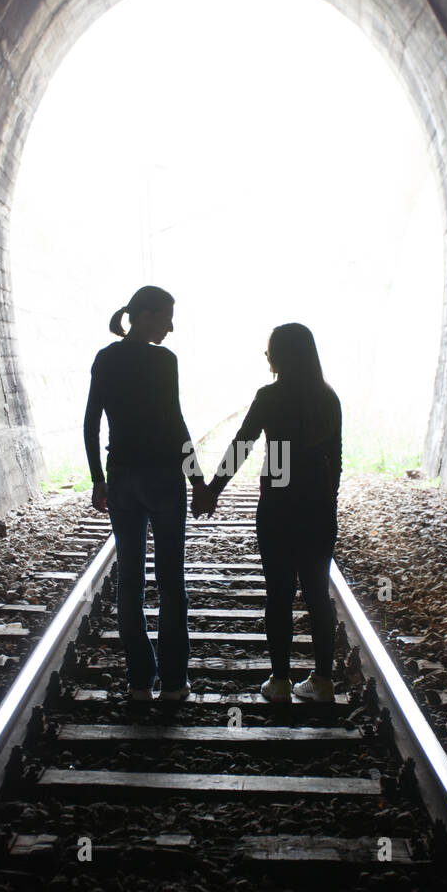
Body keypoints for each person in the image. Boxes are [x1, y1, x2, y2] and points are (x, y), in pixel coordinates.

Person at [198, 323, 342, 702]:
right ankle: (323, 681)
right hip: (317, 504)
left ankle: (279, 682)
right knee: (316, 592)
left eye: (270, 350)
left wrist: (213, 489)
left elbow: (242, 444)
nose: (267, 357)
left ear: (282, 355)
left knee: (279, 591)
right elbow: (336, 460)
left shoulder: (270, 396)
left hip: (278, 501)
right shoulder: (328, 399)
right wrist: (330, 504)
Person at [83, 286, 214, 701]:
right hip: (162, 478)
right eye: (165, 318)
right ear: (143, 315)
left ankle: (140, 680)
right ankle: (174, 683)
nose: (170, 327)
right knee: (171, 581)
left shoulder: (106, 358)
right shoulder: (164, 361)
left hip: (122, 477)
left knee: (130, 580)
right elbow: (175, 423)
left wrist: (98, 479)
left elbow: (91, 424)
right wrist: (197, 482)